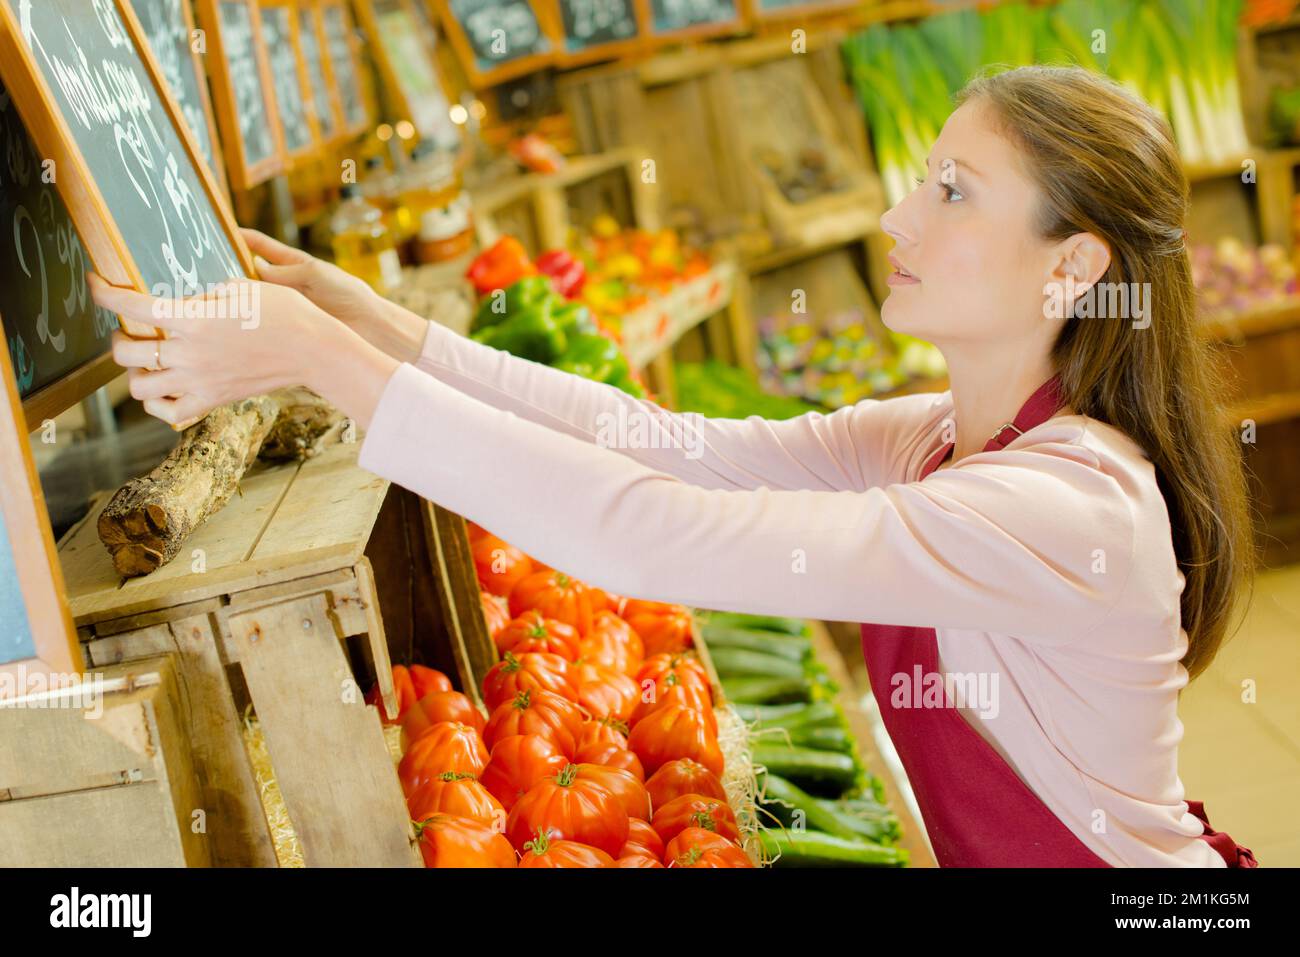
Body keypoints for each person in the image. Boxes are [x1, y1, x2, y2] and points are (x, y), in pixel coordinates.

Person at [89, 65, 1257, 867]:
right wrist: (376, 324)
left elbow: (649, 532)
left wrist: (326, 363)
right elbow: (663, 444)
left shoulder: (1064, 507)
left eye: (951, 193)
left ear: (1072, 267)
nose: (898, 220)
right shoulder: (932, 442)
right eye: (920, 176)